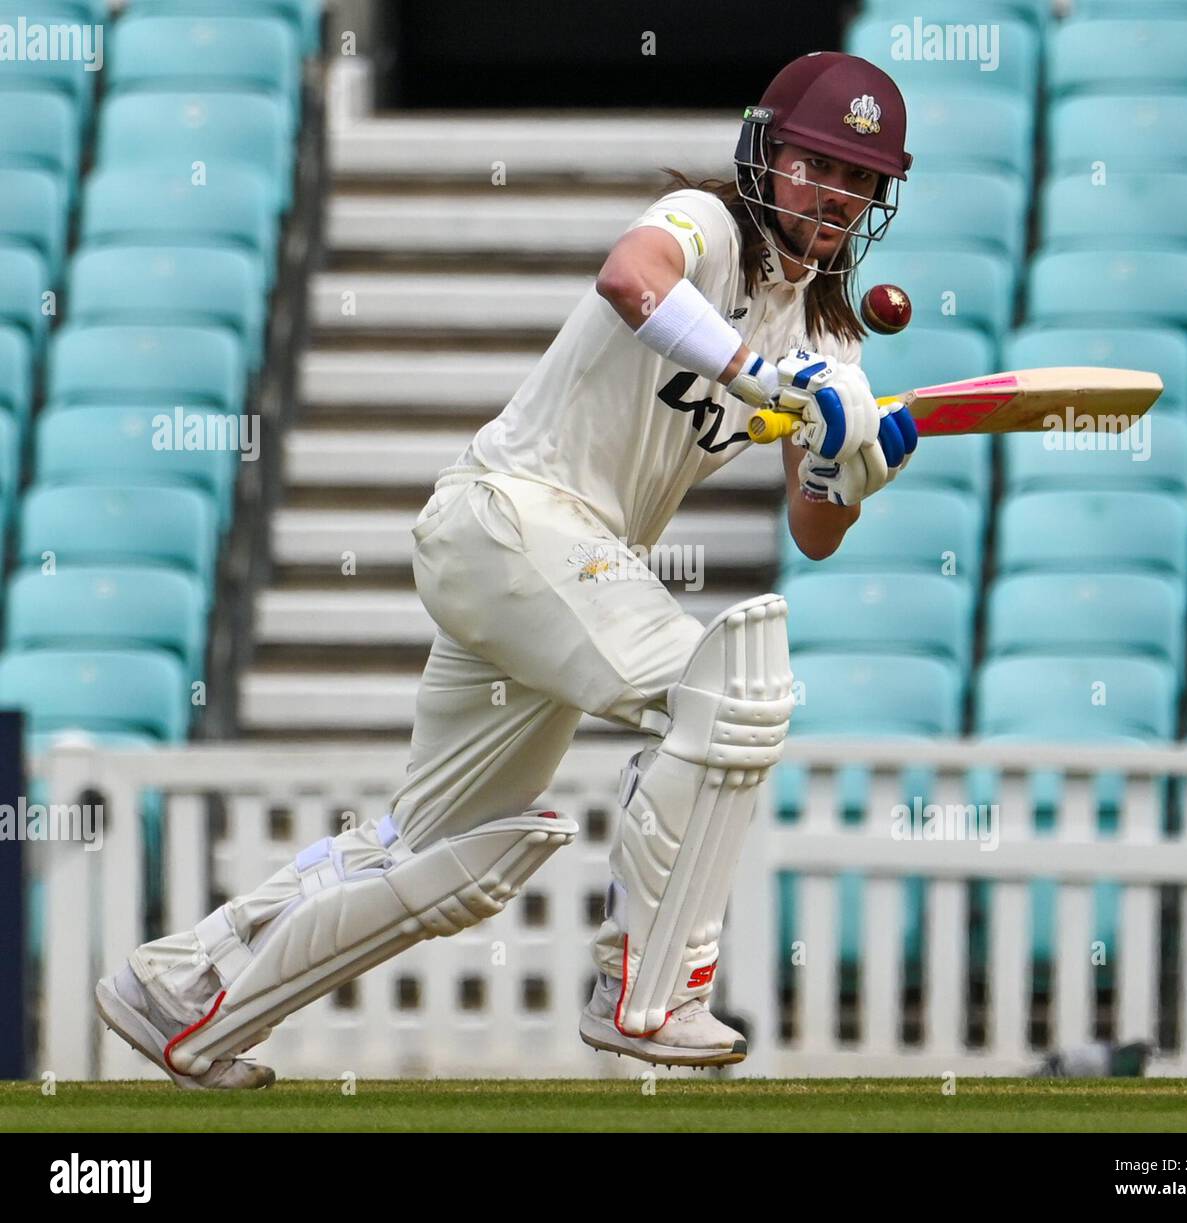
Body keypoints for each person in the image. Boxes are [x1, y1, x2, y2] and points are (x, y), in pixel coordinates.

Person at [94, 50, 918, 1087]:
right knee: (729, 695)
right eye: (819, 164)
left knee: (449, 856)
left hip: (558, 568)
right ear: (767, 156)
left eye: (858, 180)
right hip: (510, 516)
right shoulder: (703, 228)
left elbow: (813, 530)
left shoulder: (831, 345)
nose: (836, 196)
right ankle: (652, 996)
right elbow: (628, 279)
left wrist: (847, 469)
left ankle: (181, 991)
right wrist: (759, 375)